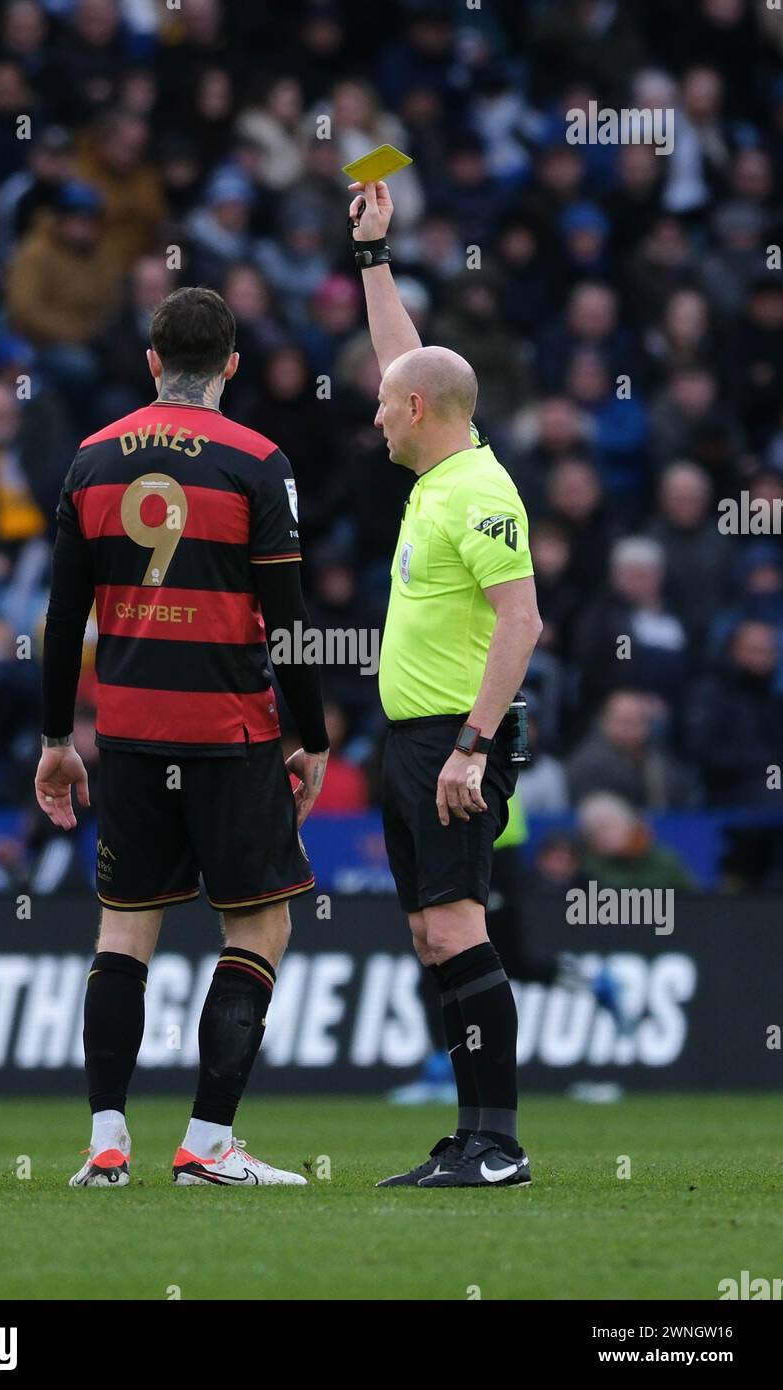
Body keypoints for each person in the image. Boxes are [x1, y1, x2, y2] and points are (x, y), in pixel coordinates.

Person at [34, 286, 330, 1189]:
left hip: (127, 732)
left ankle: (106, 1140)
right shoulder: (257, 460)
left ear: (153, 361)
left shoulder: (89, 462)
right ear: (232, 366)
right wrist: (309, 736)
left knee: (123, 932)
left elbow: (60, 619)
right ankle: (207, 1144)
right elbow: (288, 621)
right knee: (260, 921)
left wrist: (56, 739)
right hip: (231, 732)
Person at [349, 180, 542, 1189]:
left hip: (449, 740)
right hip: (413, 741)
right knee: (432, 933)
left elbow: (523, 619)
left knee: (458, 927)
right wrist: (374, 258)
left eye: (386, 402)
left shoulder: (480, 491)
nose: (374, 410)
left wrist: (473, 743)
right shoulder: (439, 474)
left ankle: (496, 1142)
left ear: (418, 412)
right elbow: (404, 359)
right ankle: (469, 1136)